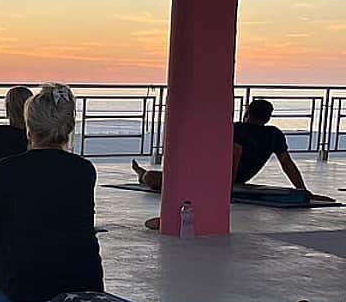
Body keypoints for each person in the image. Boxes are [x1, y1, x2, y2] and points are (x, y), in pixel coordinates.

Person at [0, 83, 104, 302]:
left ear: (28, 126)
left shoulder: (7, 169)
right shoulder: (84, 169)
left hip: (30, 286)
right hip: (85, 282)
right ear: (69, 126)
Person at [132, 98, 329, 228]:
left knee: (153, 178)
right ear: (268, 117)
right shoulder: (273, 134)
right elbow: (287, 164)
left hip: (220, 178)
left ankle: (142, 174)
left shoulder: (237, 129)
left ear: (247, 112)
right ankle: (143, 173)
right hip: (234, 179)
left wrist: (228, 189)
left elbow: (234, 157)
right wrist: (303, 190)